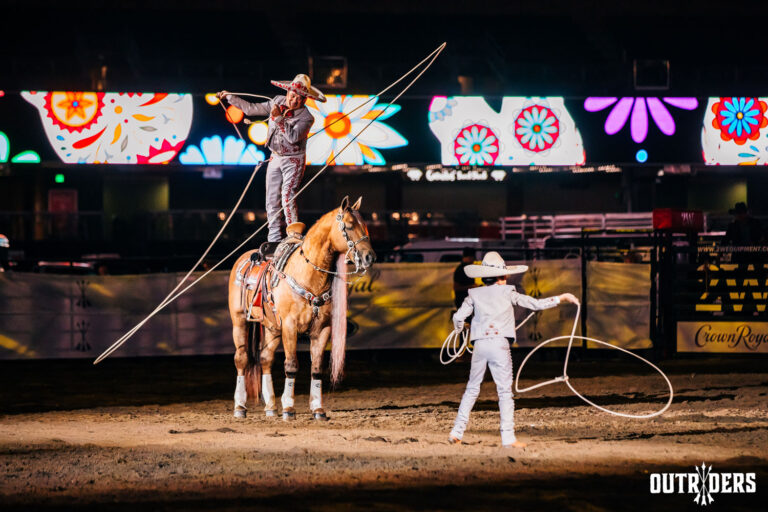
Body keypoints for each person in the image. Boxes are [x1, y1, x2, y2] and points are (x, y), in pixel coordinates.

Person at [449, 251, 579, 449]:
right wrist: (561, 298)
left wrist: (461, 330)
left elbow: (458, 318)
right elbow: (535, 304)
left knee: (472, 388)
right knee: (504, 392)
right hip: (499, 344)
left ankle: (457, 432)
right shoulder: (508, 292)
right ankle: (508, 438)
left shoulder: (474, 294)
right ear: (502, 277)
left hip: (480, 345)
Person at [217, 74, 326, 250]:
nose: (294, 100)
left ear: (305, 100)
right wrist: (230, 97)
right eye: (293, 95)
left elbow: (293, 138)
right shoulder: (277, 101)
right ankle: (274, 238)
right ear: (288, 92)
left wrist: (278, 118)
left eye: (299, 98)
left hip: (293, 160)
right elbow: (252, 109)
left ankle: (293, 236)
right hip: (275, 156)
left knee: (287, 195)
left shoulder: (307, 117)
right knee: (271, 199)